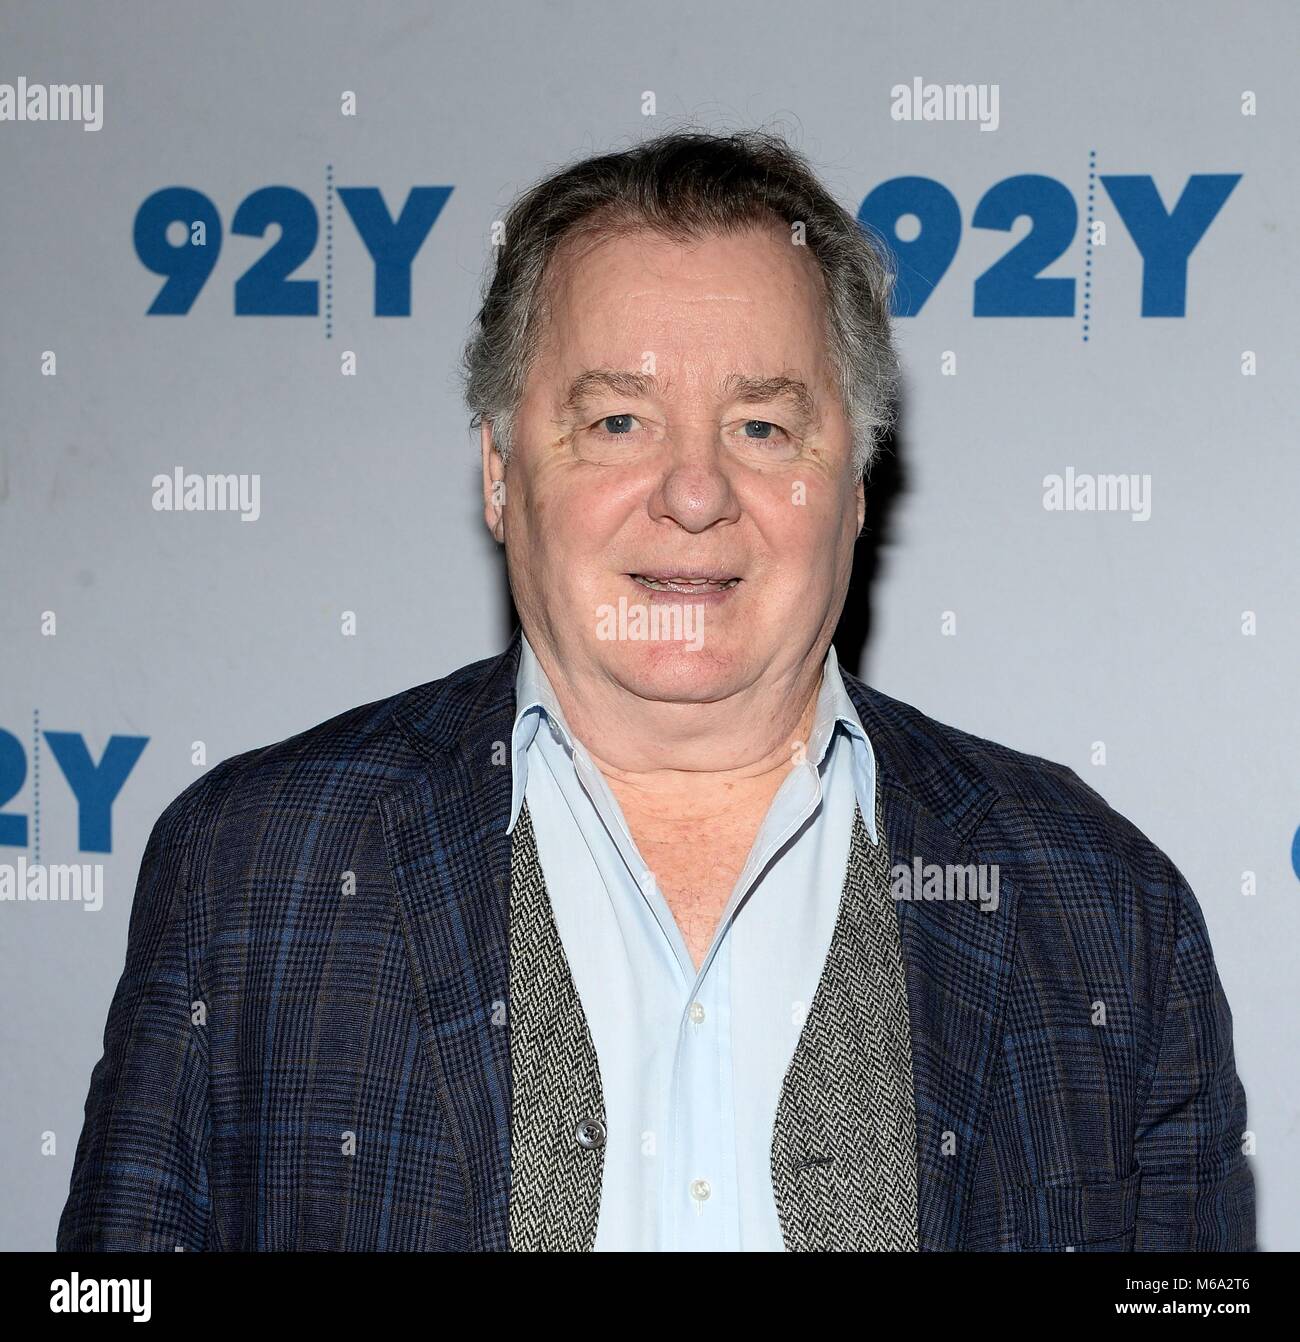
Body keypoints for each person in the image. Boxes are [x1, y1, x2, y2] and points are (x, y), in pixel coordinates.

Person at [58, 129, 1254, 1251]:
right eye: (619, 419)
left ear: (856, 483)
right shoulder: (251, 870)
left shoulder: (1105, 907)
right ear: (497, 470)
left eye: (763, 426)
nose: (693, 491)